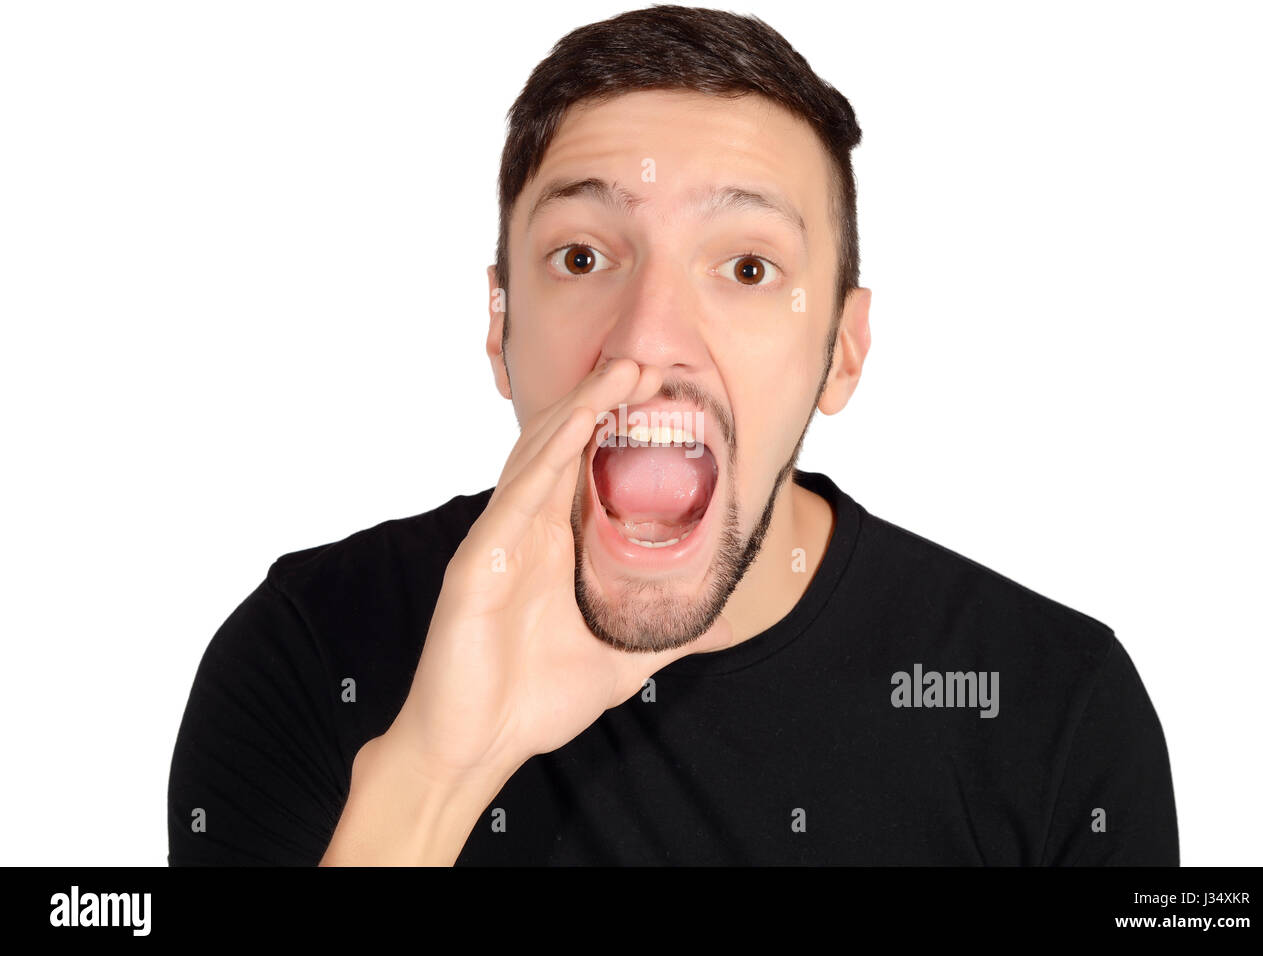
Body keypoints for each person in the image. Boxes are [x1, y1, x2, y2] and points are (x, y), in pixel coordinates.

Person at [168, 4, 1178, 866]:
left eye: (745, 268)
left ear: (842, 351)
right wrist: (436, 770)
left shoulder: (1054, 708)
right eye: (579, 254)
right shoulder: (307, 652)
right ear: (499, 325)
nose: (649, 336)